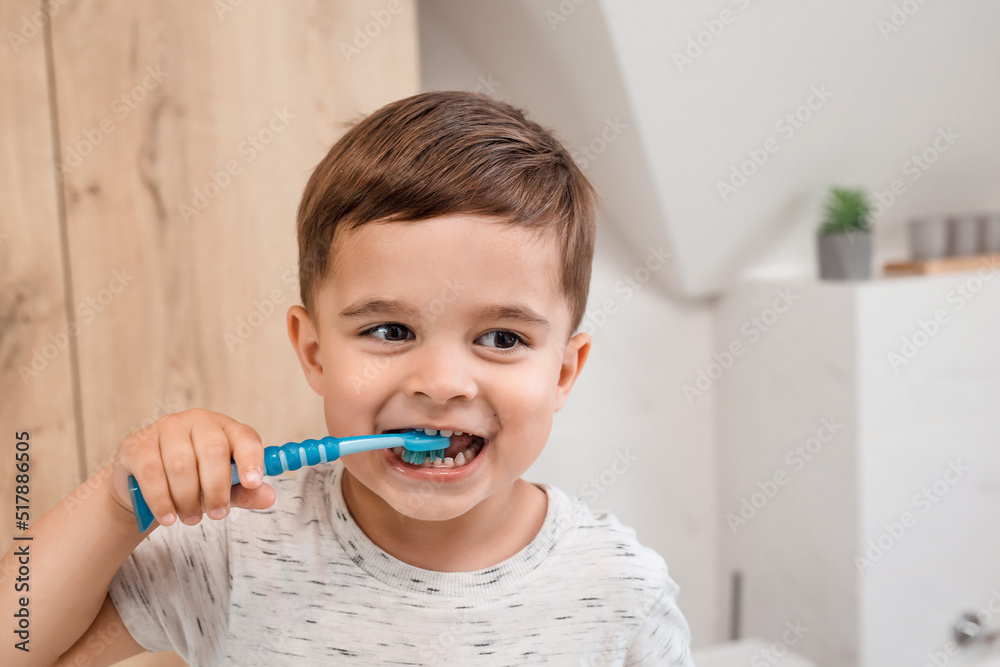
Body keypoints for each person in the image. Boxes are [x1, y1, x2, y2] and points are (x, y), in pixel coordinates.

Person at [2, 91, 694, 666]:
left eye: (502, 337)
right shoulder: (236, 552)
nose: (443, 381)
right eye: (390, 331)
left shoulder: (620, 589)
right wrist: (115, 504)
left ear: (565, 370)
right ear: (314, 351)